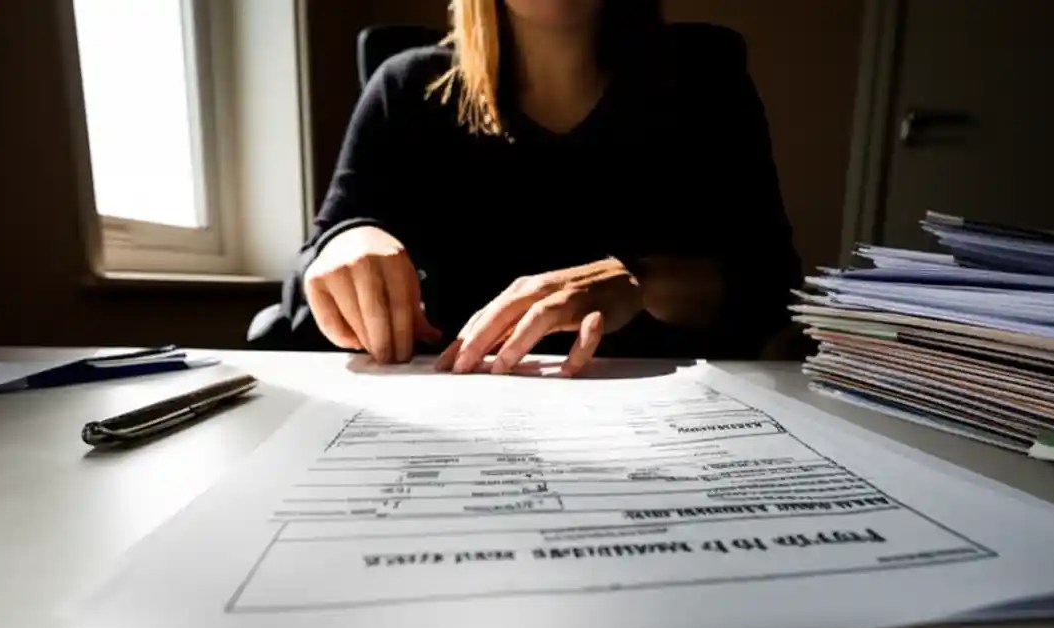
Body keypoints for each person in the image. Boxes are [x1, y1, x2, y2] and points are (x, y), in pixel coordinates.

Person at [282, 0, 800, 376]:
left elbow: (771, 286)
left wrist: (639, 280)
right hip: (449, 413)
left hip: (665, 419)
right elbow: (305, 281)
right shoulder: (404, 88)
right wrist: (344, 242)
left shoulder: (705, 85)